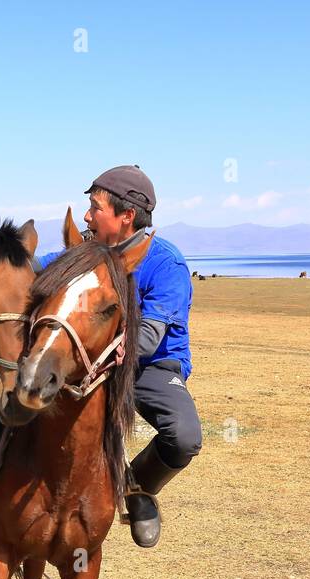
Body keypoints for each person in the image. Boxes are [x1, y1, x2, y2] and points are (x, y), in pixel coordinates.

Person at [34, 165, 202, 548]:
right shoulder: (85, 253)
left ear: (126, 217)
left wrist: (102, 360)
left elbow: (147, 339)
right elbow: (34, 267)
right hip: (86, 357)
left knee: (184, 437)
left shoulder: (165, 263)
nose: (88, 217)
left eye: (95, 208)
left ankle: (137, 486)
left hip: (149, 366)